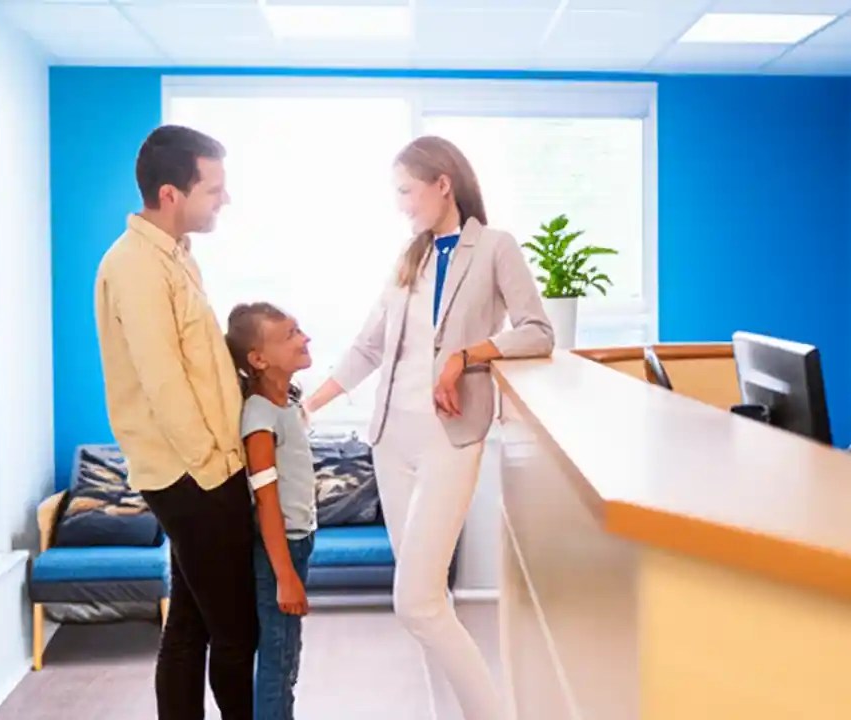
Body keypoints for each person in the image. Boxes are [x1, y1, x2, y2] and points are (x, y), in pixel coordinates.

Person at [304, 135, 554, 719]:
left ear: (443, 183)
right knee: (429, 602)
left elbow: (539, 331)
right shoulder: (408, 256)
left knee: (415, 603)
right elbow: (369, 346)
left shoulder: (494, 247)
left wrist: (465, 356)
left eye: (406, 191)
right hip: (392, 442)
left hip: (450, 439)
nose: (401, 204)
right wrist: (308, 405)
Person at [93, 125, 255, 719]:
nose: (224, 200)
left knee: (190, 622)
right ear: (170, 193)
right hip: (192, 476)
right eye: (213, 189)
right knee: (237, 633)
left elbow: (198, 366)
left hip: (204, 469)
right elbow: (164, 385)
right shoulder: (135, 266)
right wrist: (217, 473)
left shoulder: (176, 255)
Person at [225, 302, 317, 720]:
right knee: (278, 664)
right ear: (259, 359)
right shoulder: (260, 417)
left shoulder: (288, 403)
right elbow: (265, 502)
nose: (304, 338)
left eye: (299, 330)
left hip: (299, 542)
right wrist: (285, 577)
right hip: (281, 550)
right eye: (291, 335)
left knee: (288, 658)